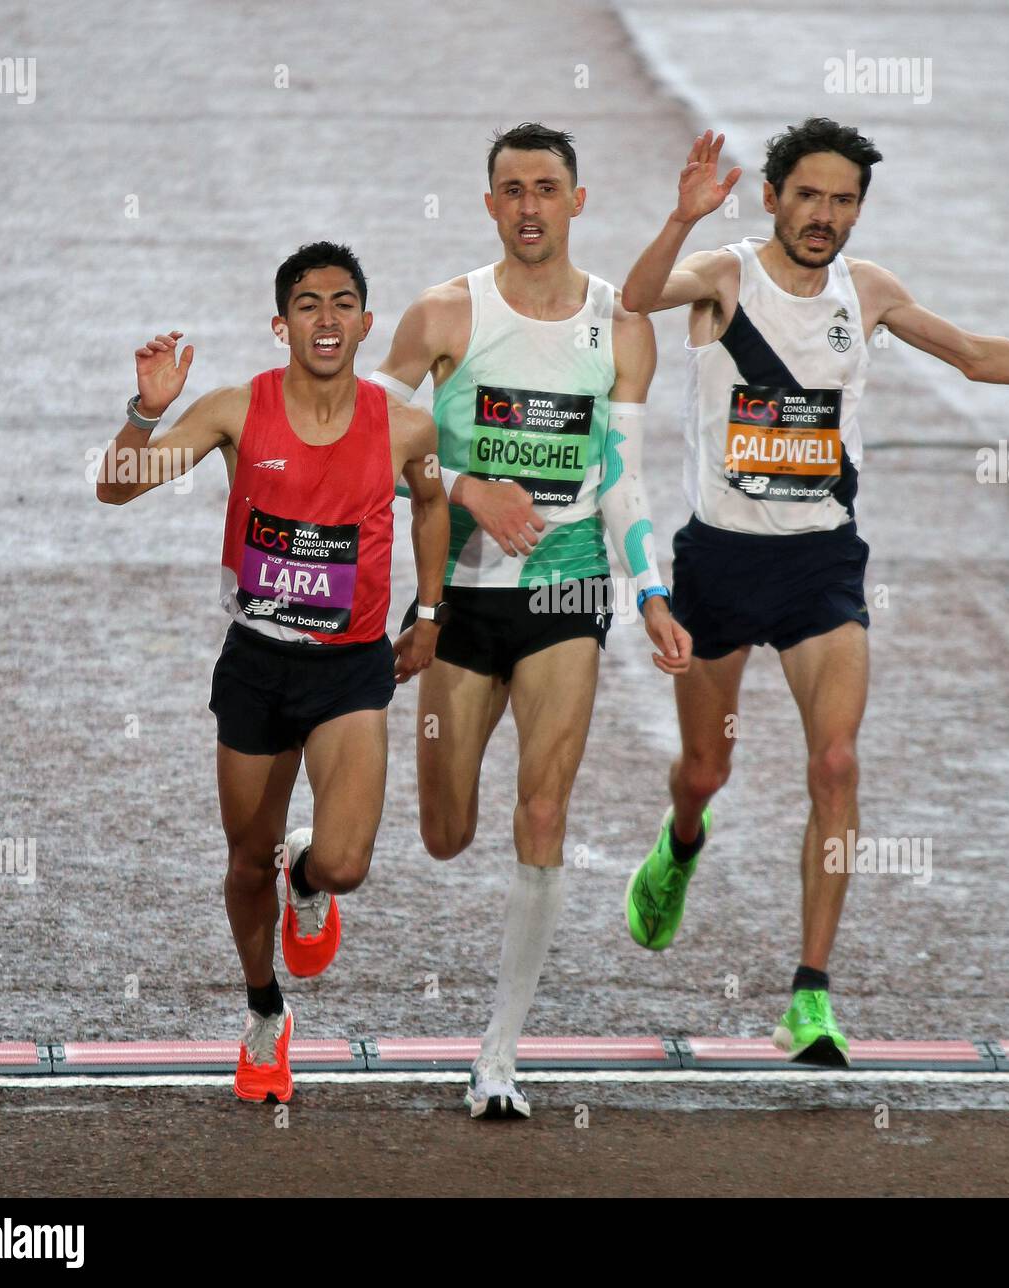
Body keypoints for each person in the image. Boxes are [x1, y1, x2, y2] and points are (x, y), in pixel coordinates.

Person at [620, 121, 1009, 1066]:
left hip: (821, 567)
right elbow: (638, 295)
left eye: (844, 201)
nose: (824, 217)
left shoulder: (870, 293)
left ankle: (810, 997)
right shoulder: (725, 275)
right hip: (720, 565)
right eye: (809, 196)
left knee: (836, 763)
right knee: (707, 770)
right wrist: (679, 217)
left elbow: (977, 355)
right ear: (774, 195)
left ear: (860, 208)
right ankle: (682, 842)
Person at [369, 122, 692, 1118]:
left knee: (543, 813)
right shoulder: (441, 316)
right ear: (488, 204)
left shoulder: (619, 325)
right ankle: (307, 860)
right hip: (461, 603)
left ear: (576, 201)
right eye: (509, 189)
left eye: (545, 188)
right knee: (444, 831)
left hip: (565, 595)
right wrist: (464, 485)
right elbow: (374, 447)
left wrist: (648, 592)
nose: (527, 206)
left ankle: (498, 1055)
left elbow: (623, 483)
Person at [95, 242, 449, 1102]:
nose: (324, 319)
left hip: (349, 673)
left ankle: (311, 878)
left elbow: (433, 500)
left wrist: (431, 610)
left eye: (341, 304)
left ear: (367, 323)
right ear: (281, 322)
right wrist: (145, 414)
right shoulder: (233, 411)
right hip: (255, 669)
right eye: (306, 303)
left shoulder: (406, 427)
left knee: (348, 861)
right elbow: (116, 487)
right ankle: (264, 1012)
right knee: (246, 859)